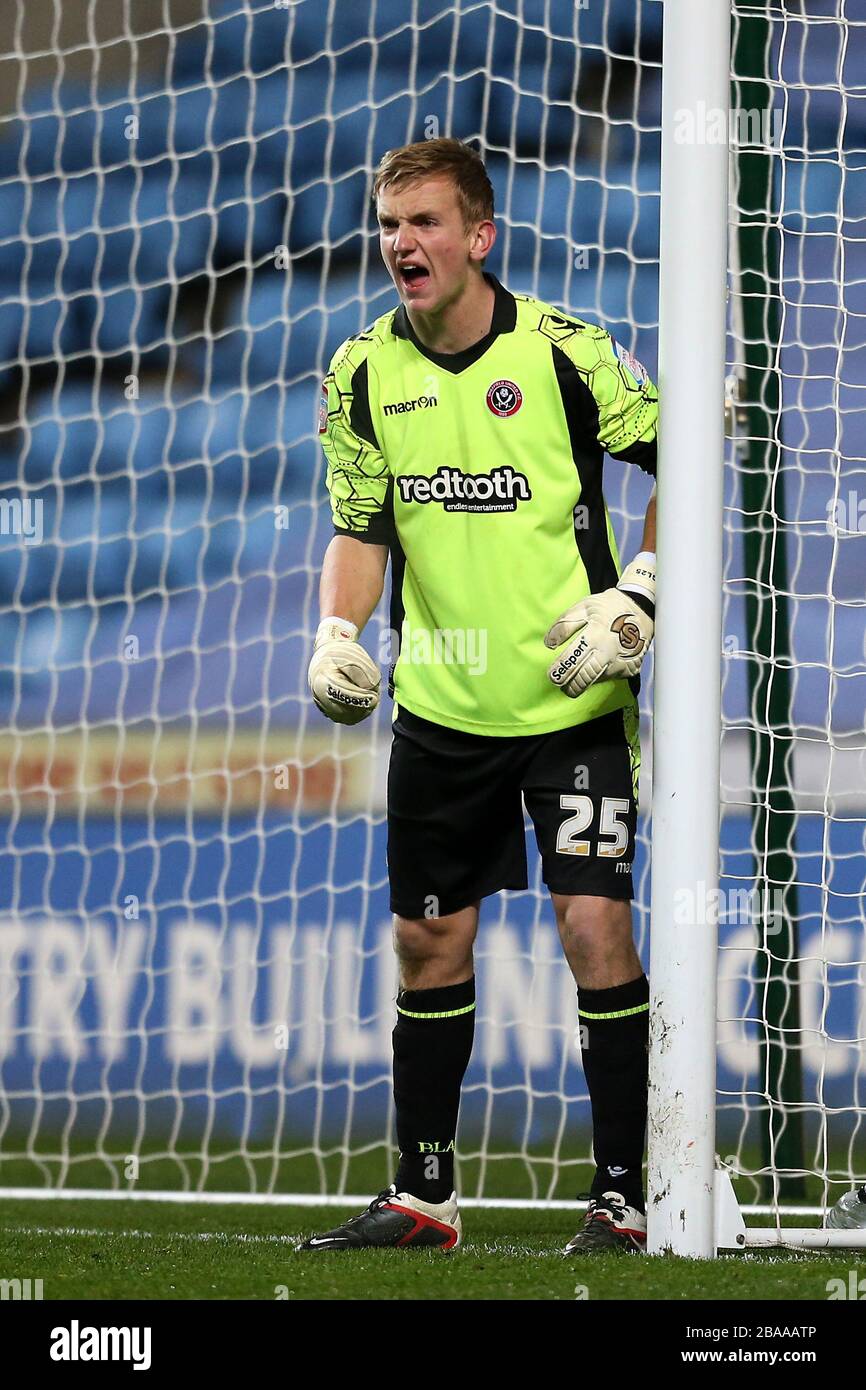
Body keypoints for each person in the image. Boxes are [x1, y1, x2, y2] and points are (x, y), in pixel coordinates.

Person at [302, 138, 657, 1255]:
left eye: (425, 222)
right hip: (440, 711)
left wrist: (638, 593)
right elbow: (360, 527)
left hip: (571, 705)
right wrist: (336, 631)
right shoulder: (360, 372)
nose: (401, 243)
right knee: (426, 942)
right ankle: (424, 1197)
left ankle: (622, 1199)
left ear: (478, 236)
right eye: (389, 224)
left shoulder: (568, 354)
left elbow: (684, 463)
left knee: (593, 927)